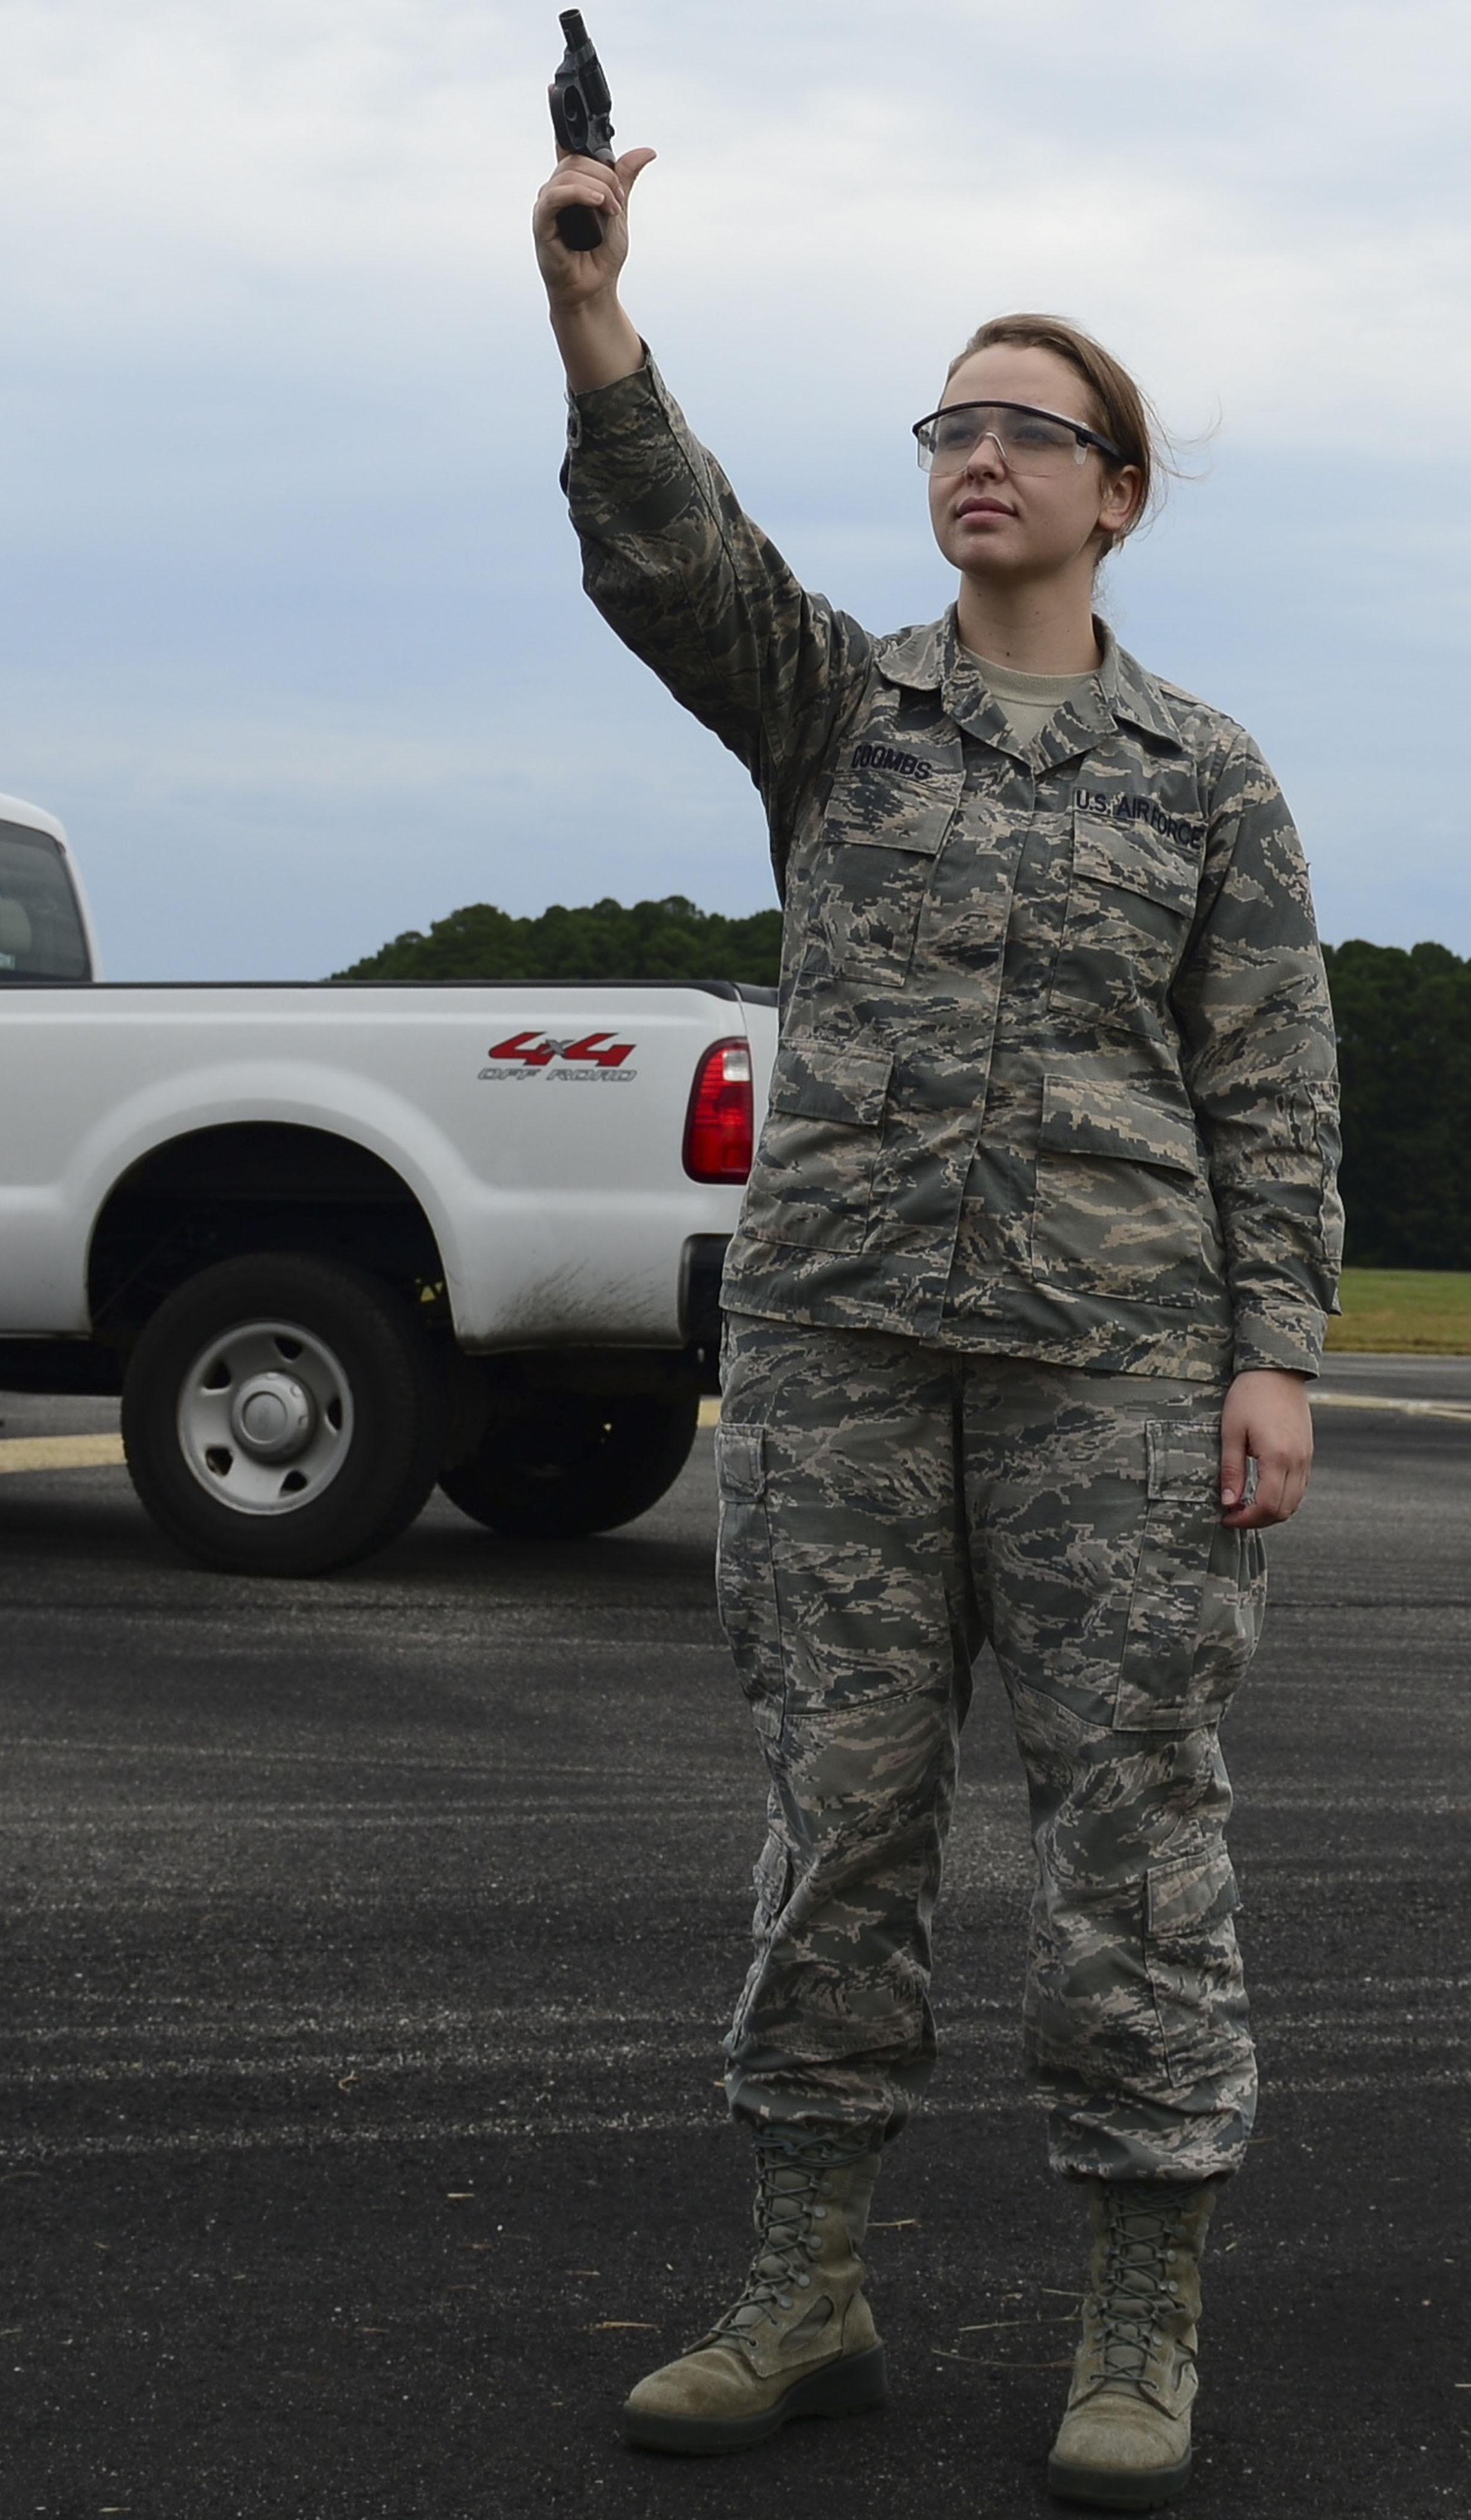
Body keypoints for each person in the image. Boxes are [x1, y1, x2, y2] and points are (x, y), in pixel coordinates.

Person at [532, 134, 1343, 2513]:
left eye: (1027, 428)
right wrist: (592, 316)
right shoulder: (835, 710)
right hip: (842, 1352)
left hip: (1116, 1366)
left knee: (1134, 1830)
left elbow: (1269, 1083)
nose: (978, 455)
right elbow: (675, 561)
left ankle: (1138, 2322)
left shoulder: (1204, 775)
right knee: (838, 1818)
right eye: (948, 425)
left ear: (1116, 493)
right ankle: (804, 2294)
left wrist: (1273, 1351)